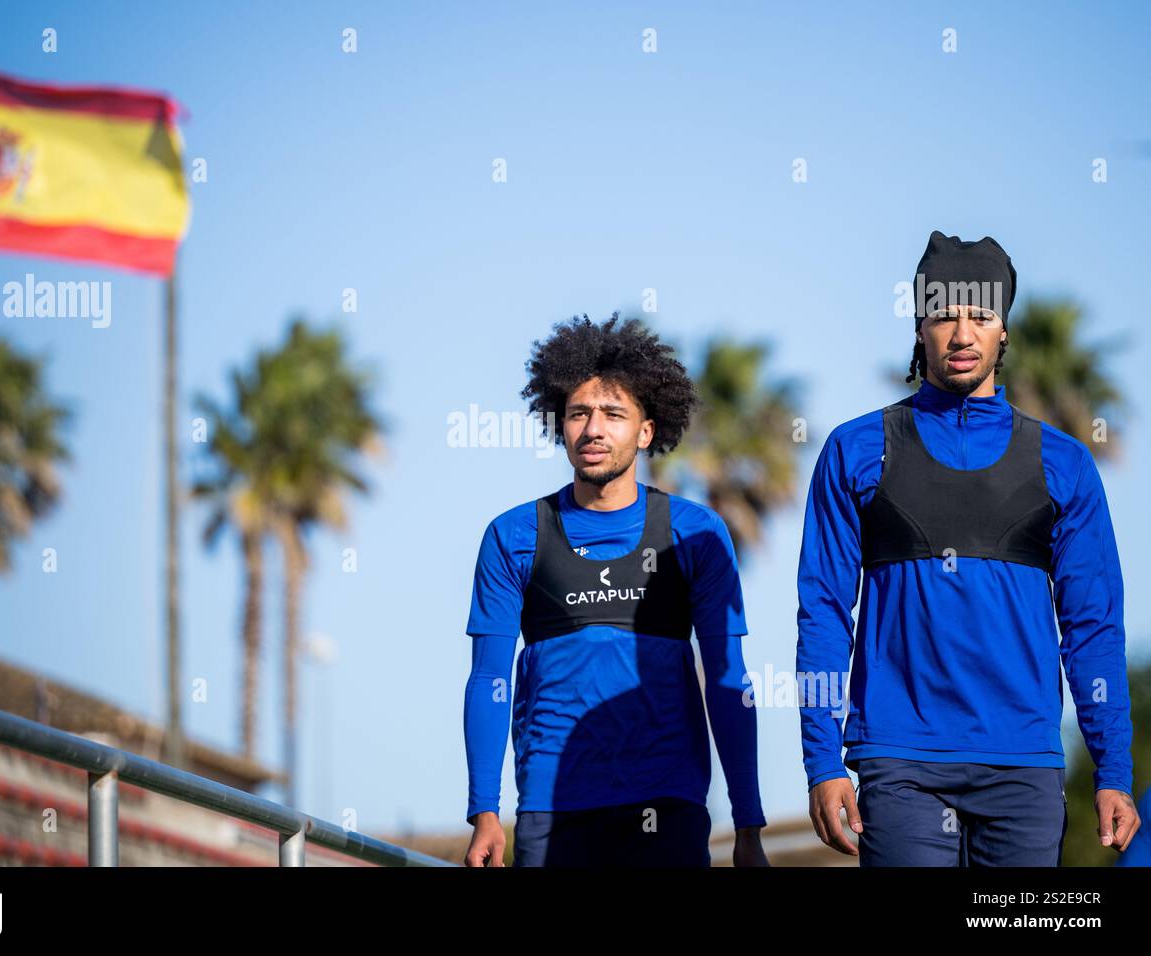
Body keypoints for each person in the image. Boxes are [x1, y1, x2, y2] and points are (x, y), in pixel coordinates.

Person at [796, 230, 1140, 866]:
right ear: (918, 326)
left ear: (1003, 329)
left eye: (980, 315)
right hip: (899, 763)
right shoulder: (856, 450)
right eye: (942, 315)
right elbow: (823, 612)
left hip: (1024, 767)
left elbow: (1092, 626)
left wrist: (1113, 768)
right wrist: (821, 759)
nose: (961, 334)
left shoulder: (1064, 463)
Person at [463, 313, 767, 867]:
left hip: (667, 802)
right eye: (578, 413)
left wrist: (748, 821)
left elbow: (729, 681)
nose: (593, 429)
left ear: (645, 431)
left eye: (613, 413)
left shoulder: (695, 532)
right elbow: (489, 679)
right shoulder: (513, 536)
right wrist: (484, 811)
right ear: (561, 424)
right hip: (553, 807)